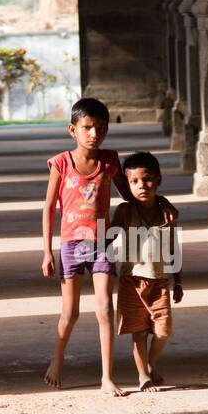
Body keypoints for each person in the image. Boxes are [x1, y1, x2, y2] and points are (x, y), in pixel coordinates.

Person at [41, 97, 128, 396]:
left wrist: (159, 205)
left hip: (102, 240)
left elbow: (130, 196)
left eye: (101, 128)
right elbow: (49, 208)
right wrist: (46, 252)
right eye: (87, 127)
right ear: (72, 130)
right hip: (70, 244)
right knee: (70, 313)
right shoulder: (62, 163)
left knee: (105, 307)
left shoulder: (110, 161)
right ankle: (58, 357)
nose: (94, 134)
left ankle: (107, 377)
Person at [111, 150, 183, 392]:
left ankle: (150, 364)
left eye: (148, 179)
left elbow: (174, 248)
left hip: (160, 281)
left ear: (159, 179)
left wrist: (179, 281)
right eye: (134, 181)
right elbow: (108, 239)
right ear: (127, 184)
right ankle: (143, 376)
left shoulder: (167, 213)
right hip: (132, 281)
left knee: (162, 331)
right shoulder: (124, 212)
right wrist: (100, 260)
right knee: (139, 332)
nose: (142, 186)